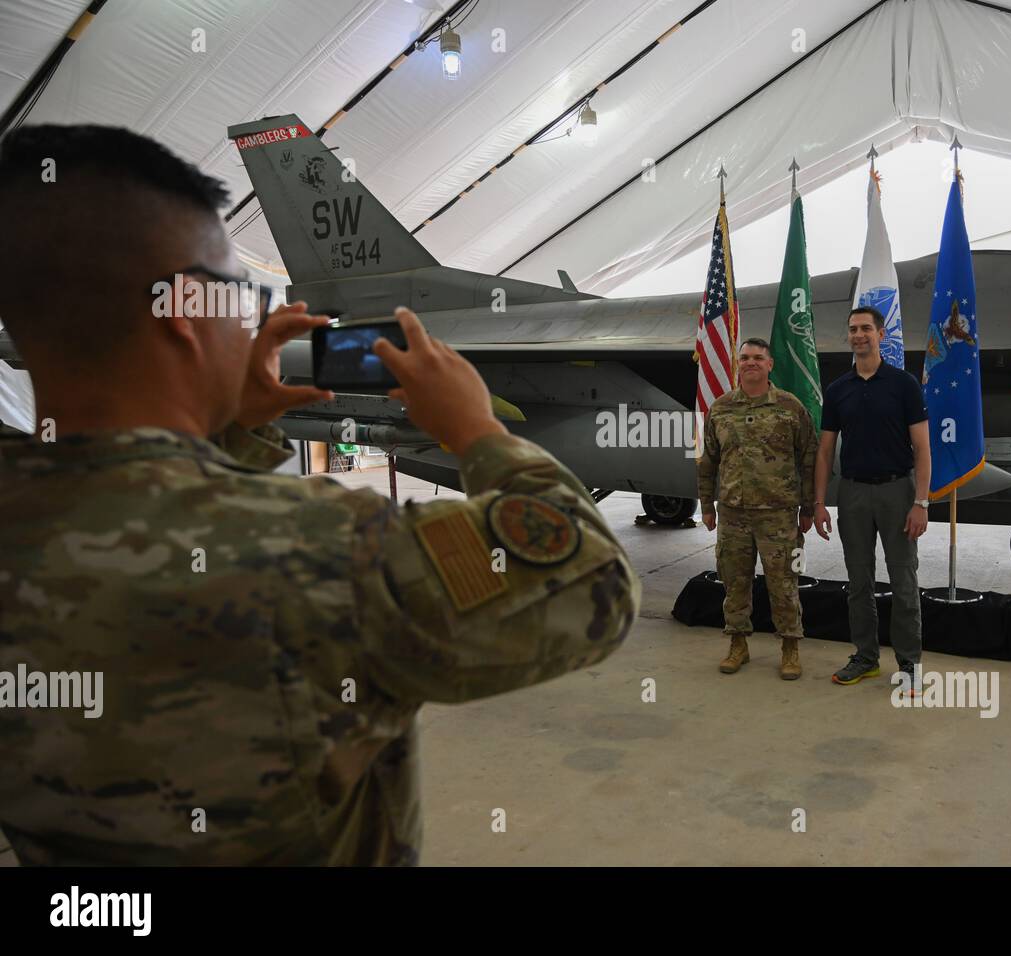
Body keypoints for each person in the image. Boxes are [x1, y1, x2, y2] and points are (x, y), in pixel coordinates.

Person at [0, 125, 640, 865]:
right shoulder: (328, 549)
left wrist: (231, 429)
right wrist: (478, 430)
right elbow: (590, 584)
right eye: (236, 295)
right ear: (183, 313)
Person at [813, 306, 930, 690]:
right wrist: (818, 503)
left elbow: (922, 449)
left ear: (881, 334)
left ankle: (909, 664)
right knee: (858, 583)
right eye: (853, 329)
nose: (859, 335)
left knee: (904, 582)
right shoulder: (837, 390)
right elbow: (826, 451)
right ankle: (865, 658)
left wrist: (921, 503)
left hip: (898, 492)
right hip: (853, 494)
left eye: (866, 328)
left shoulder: (904, 384)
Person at [697, 338, 816, 680]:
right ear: (738, 364)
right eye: (745, 357)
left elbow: (807, 459)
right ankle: (737, 645)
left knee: (784, 583)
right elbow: (708, 462)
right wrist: (707, 507)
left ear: (770, 364)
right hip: (733, 513)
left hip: (778, 515)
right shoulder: (720, 408)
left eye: (758, 358)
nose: (751, 362)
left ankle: (790, 647)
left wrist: (807, 508)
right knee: (734, 582)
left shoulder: (790, 407)